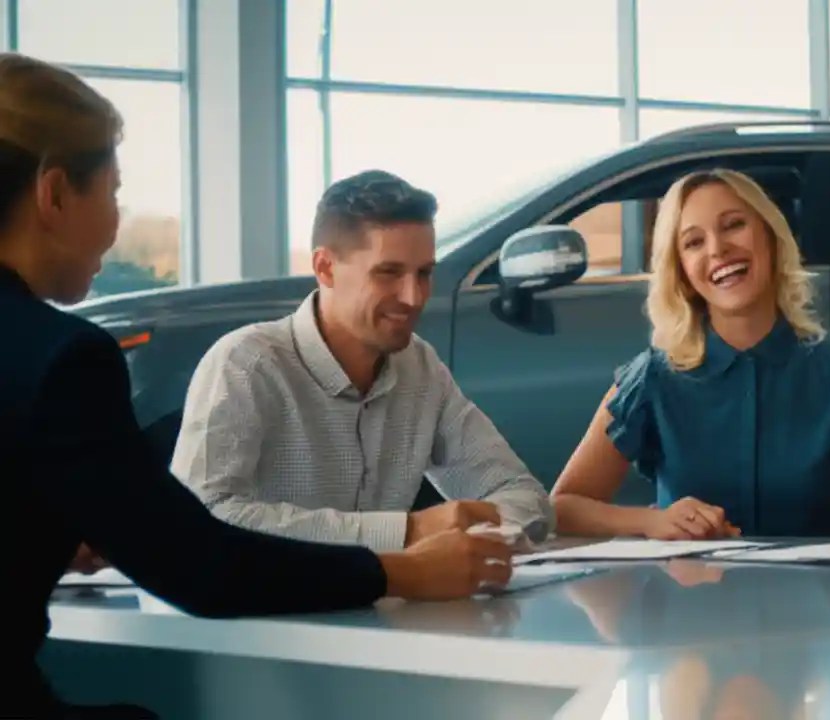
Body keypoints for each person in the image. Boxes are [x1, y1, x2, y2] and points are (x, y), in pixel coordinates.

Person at [0, 53, 513, 718]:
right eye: (113, 192)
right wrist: (403, 565)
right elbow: (204, 567)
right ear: (55, 193)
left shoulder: (422, 370)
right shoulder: (64, 358)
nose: (116, 220)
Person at [550, 169, 830, 539]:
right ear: (682, 271)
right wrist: (652, 522)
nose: (718, 249)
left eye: (733, 225)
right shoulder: (651, 380)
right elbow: (562, 508)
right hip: (689, 610)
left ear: (771, 238)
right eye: (693, 242)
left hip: (818, 607)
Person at [171, 170, 554, 551]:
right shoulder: (246, 364)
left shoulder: (419, 365)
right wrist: (407, 532)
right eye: (388, 273)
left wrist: (473, 536)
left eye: (424, 273)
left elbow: (520, 494)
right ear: (325, 268)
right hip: (274, 611)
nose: (414, 297)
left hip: (391, 607)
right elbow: (202, 518)